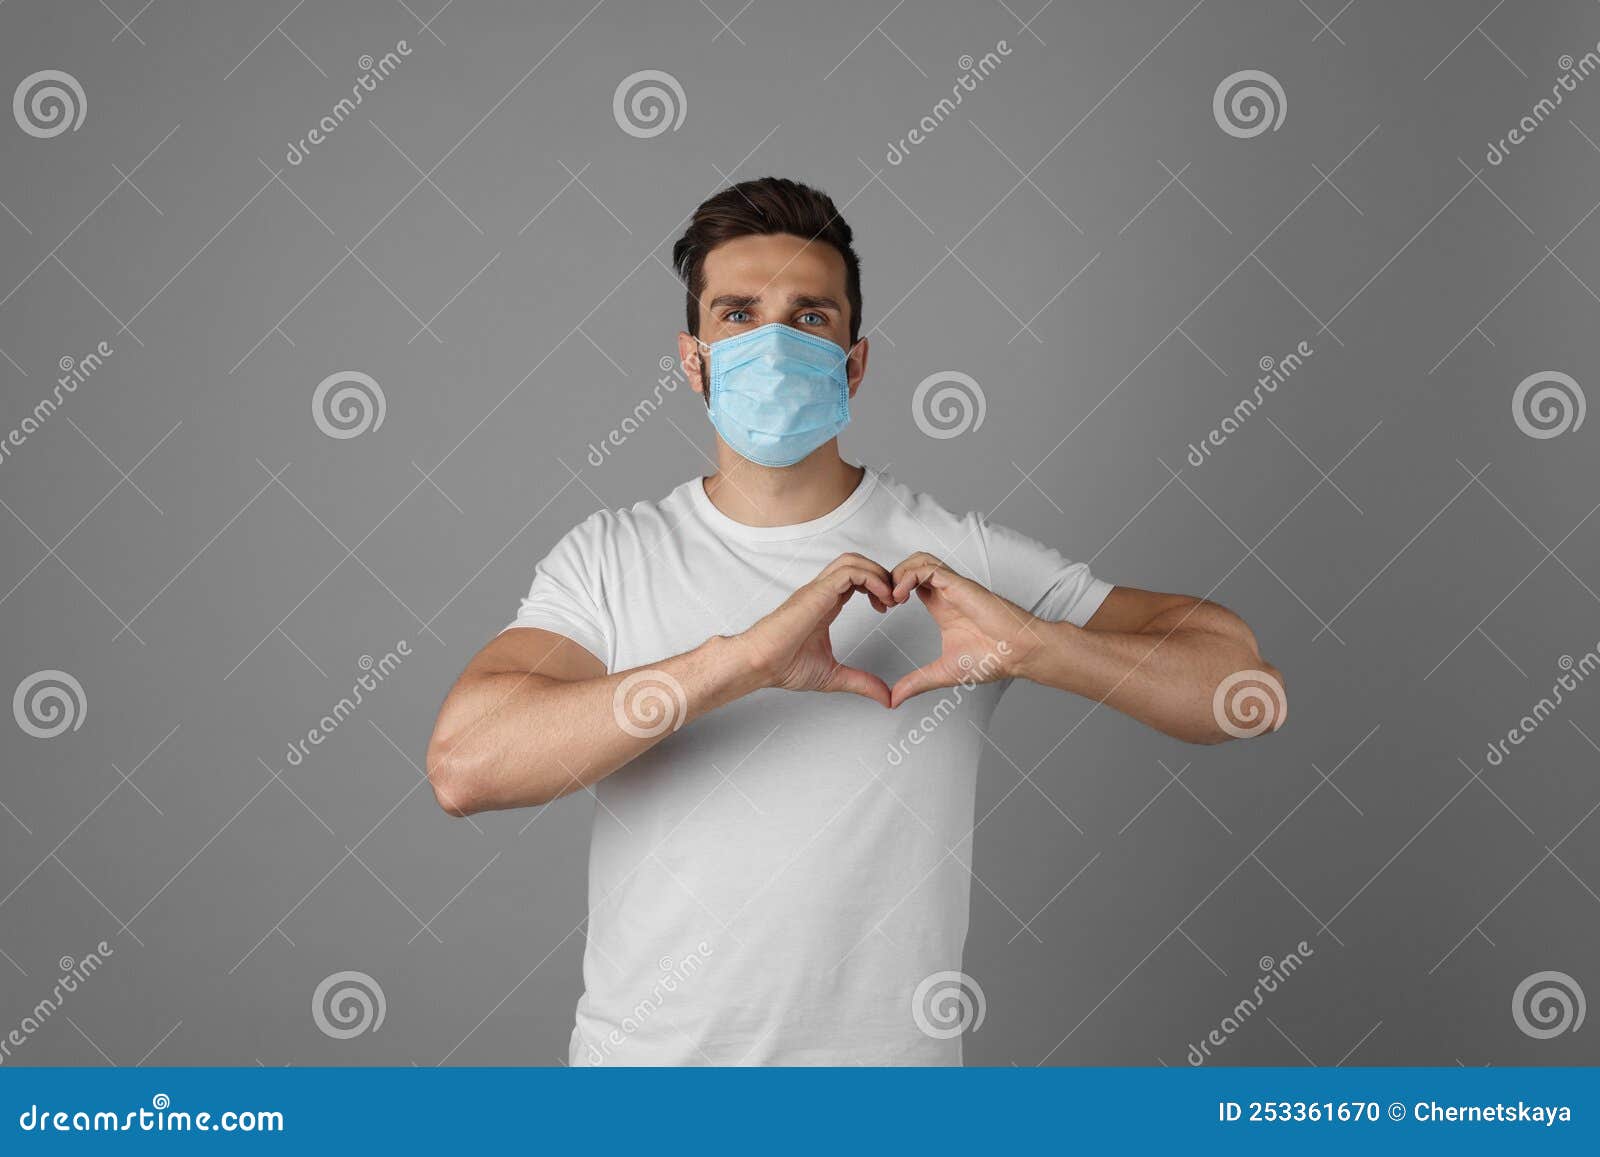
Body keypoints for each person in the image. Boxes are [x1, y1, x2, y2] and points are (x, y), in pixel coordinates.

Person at [425, 176, 1285, 1065]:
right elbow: (465, 766)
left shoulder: (957, 562)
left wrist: (1036, 646)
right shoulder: (611, 556)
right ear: (693, 359)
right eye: (737, 315)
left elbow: (1240, 686)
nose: (772, 344)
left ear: (855, 361)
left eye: (809, 318)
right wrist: (740, 662)